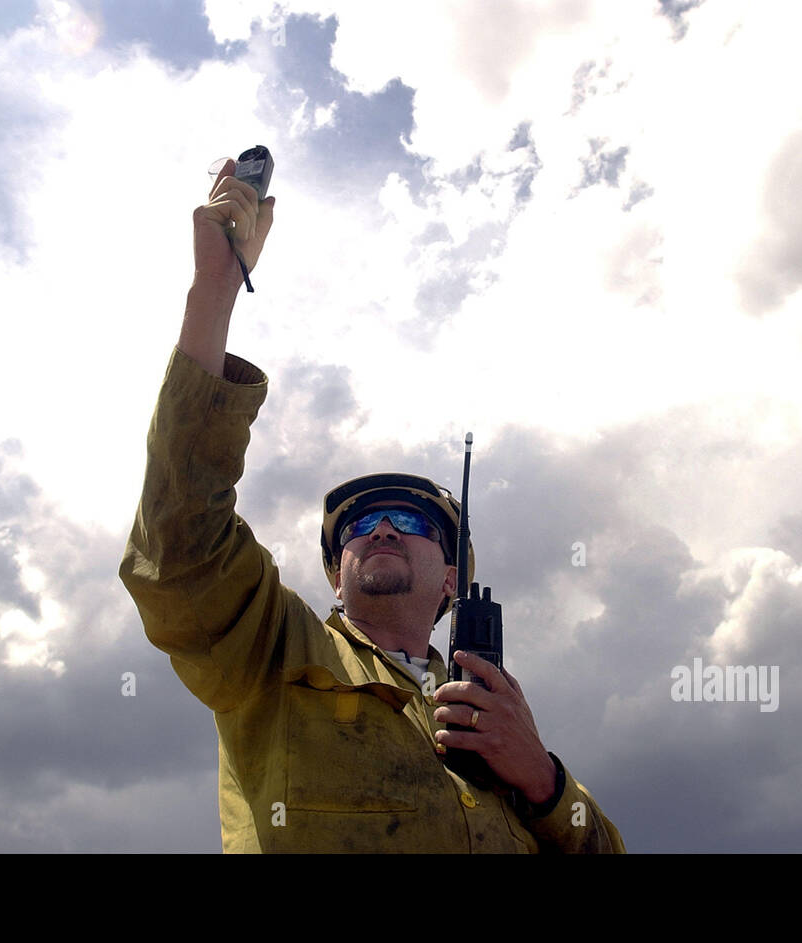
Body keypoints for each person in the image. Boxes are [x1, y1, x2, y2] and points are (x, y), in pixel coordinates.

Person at [118, 157, 625, 853]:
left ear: (452, 581)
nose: (381, 526)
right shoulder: (271, 647)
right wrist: (214, 291)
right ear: (335, 574)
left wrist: (540, 777)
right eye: (358, 526)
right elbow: (179, 545)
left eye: (411, 522)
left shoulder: (495, 724)